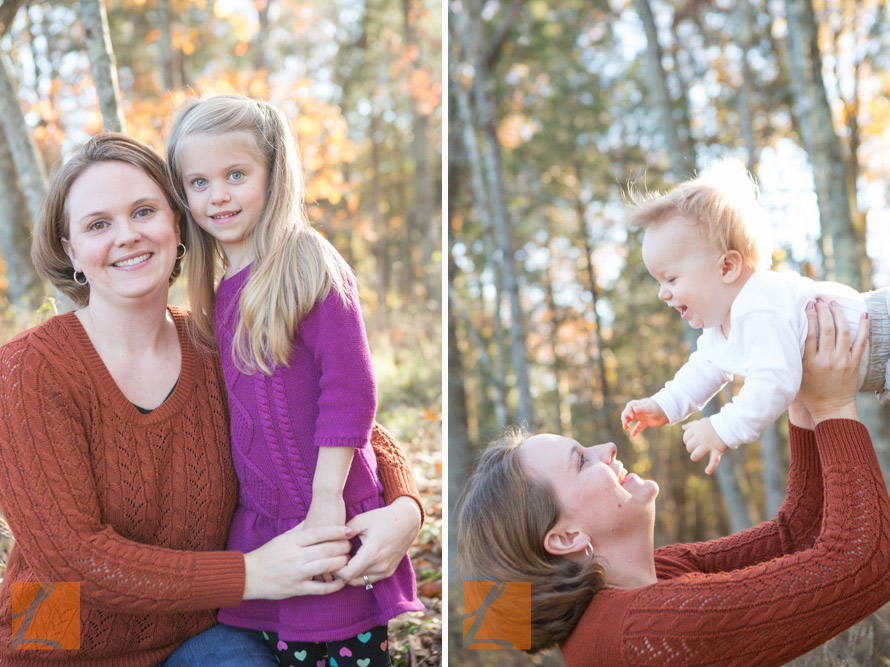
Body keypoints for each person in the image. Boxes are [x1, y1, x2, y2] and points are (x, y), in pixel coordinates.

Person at [0, 132, 424, 667]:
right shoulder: (28, 369)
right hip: (54, 644)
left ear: (178, 225)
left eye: (144, 211)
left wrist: (405, 507)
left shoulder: (212, 341)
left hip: (195, 633)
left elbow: (331, 416)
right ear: (71, 251)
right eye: (98, 224)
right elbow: (72, 558)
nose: (127, 236)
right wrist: (252, 574)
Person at [458, 299, 890, 664]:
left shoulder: (652, 579)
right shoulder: (639, 630)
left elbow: (795, 534)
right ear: (566, 537)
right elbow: (867, 563)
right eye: (582, 461)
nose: (608, 447)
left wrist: (802, 393)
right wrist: (832, 405)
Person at [163, 95, 422, 666]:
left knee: (338, 646)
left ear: (274, 173)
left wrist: (335, 500)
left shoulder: (305, 259)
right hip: (266, 530)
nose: (218, 195)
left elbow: (351, 390)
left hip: (326, 511)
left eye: (236, 175)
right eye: (199, 182)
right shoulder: (218, 295)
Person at [619, 160, 890, 473]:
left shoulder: (759, 303)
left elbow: (774, 382)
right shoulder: (722, 326)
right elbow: (702, 371)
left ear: (727, 267)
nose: (662, 294)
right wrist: (663, 405)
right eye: (659, 282)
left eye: (670, 279)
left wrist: (723, 428)